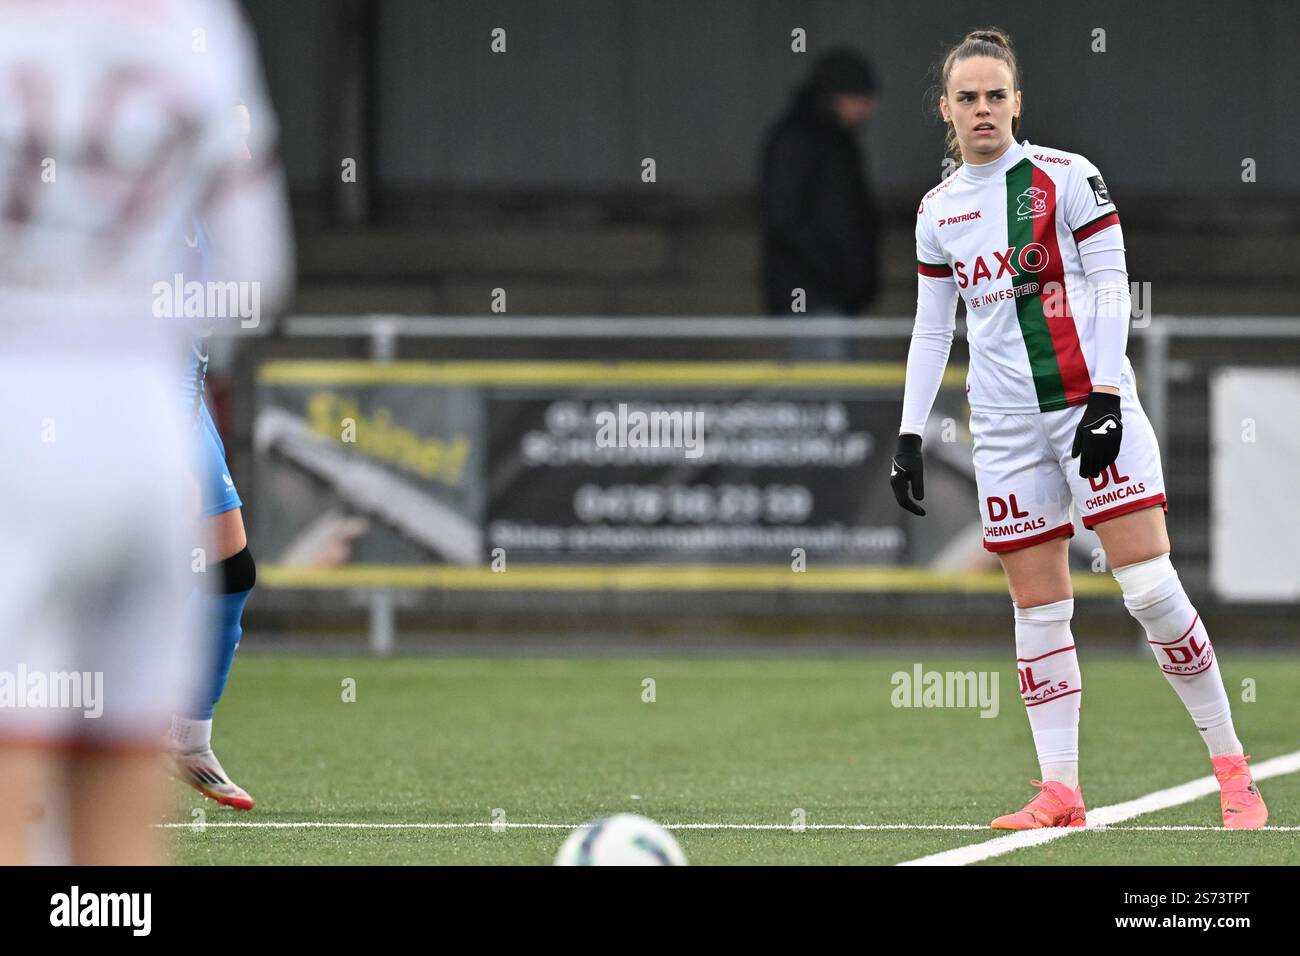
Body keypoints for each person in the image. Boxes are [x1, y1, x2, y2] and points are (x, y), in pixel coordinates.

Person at [889, 28, 1266, 830]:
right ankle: (1059, 790)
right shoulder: (937, 211)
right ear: (946, 111)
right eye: (968, 98)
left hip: (1089, 406)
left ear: (1017, 102)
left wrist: (1101, 394)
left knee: (1151, 592)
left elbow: (1108, 286)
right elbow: (931, 328)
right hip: (1001, 426)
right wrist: (909, 433)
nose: (983, 109)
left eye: (997, 95)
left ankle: (1234, 772)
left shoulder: (1066, 177)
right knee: (1037, 609)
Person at [0, 0, 291, 864]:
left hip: (24, 408)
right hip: (139, 414)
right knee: (119, 790)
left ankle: (186, 738)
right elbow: (257, 273)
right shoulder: (199, 33)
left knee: (19, 750)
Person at [167, 104, 270, 813]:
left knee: (229, 566)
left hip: (182, 397)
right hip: (127, 404)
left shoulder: (208, 216)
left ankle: (185, 733)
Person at [760, 49, 880, 360]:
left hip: (830, 297)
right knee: (826, 392)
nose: (869, 109)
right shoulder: (799, 141)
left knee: (834, 387)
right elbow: (784, 217)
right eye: (861, 98)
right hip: (813, 296)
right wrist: (838, 271)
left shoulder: (836, 142)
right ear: (836, 97)